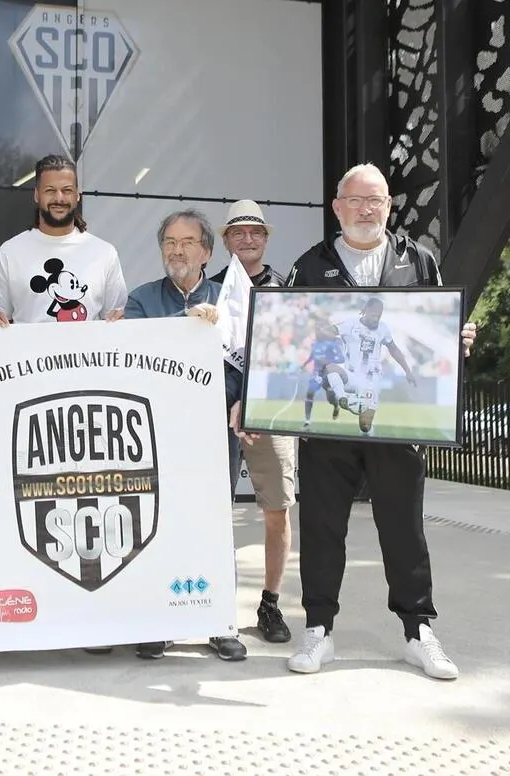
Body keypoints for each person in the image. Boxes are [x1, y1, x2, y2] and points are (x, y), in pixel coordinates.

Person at [285, 162, 477, 679]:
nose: (367, 209)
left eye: (377, 200)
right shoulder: (310, 265)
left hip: (394, 422)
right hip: (331, 425)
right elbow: (299, 337)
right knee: (322, 524)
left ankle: (418, 629)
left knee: (403, 526)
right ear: (337, 207)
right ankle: (319, 629)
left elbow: (432, 330)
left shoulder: (420, 261)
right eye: (356, 200)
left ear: (389, 206)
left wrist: (456, 339)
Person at [124, 208, 248, 662]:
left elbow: (248, 364)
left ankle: (220, 622)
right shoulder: (140, 300)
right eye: (169, 243)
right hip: (158, 435)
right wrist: (186, 329)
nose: (177, 250)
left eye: (188, 242)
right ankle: (160, 621)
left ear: (207, 252)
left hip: (216, 434)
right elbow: (134, 361)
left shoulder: (230, 300)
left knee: (215, 527)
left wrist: (235, 400)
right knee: (157, 525)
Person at [210, 200, 295, 643]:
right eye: (238, 231)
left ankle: (270, 604)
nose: (247, 238)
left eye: (256, 232)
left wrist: (254, 399)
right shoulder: (210, 291)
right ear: (225, 240)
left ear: (266, 239)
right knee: (211, 511)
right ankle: (215, 605)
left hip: (271, 412)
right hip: (217, 414)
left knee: (277, 510)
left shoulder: (286, 288)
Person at [0, 154, 127, 326]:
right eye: (50, 190)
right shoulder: (9, 253)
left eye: (67, 190)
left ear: (77, 195)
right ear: (37, 195)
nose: (59, 198)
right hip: (26, 353)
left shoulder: (104, 254)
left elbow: (116, 323)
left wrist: (120, 321)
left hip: (87, 353)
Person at [331, 297, 416, 435]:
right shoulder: (351, 324)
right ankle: (342, 399)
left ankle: (362, 420)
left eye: (379, 315)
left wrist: (407, 370)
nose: (376, 318)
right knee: (331, 369)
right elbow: (332, 330)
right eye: (373, 315)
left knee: (365, 426)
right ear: (365, 311)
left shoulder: (383, 328)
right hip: (351, 374)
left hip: (371, 378)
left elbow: (393, 349)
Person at [301, 316, 348, 426]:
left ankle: (335, 405)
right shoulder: (315, 343)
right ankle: (307, 421)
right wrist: (305, 364)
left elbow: (341, 358)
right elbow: (313, 355)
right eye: (316, 330)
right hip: (316, 373)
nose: (317, 332)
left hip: (328, 374)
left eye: (319, 330)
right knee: (310, 393)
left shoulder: (332, 344)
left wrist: (327, 361)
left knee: (330, 398)